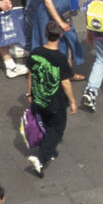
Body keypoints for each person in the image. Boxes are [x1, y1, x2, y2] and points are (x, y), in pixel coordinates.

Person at [26, 21, 80, 177]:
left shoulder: (35, 52)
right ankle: (41, 159)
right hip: (55, 102)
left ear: (45, 33)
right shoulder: (60, 58)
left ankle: (49, 150)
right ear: (61, 36)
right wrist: (72, 102)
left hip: (38, 97)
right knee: (57, 129)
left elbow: (31, 73)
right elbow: (65, 82)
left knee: (46, 125)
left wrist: (29, 93)